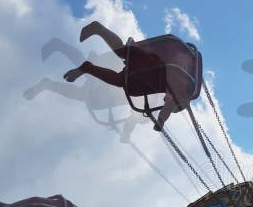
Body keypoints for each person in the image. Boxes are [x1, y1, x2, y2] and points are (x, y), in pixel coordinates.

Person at [62, 21, 195, 131]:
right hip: (150, 63)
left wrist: (160, 122)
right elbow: (167, 108)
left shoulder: (175, 90)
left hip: (144, 75)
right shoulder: (182, 82)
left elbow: (167, 108)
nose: (167, 100)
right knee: (123, 53)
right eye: (170, 101)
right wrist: (161, 121)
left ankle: (89, 68)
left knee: (120, 80)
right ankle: (98, 29)